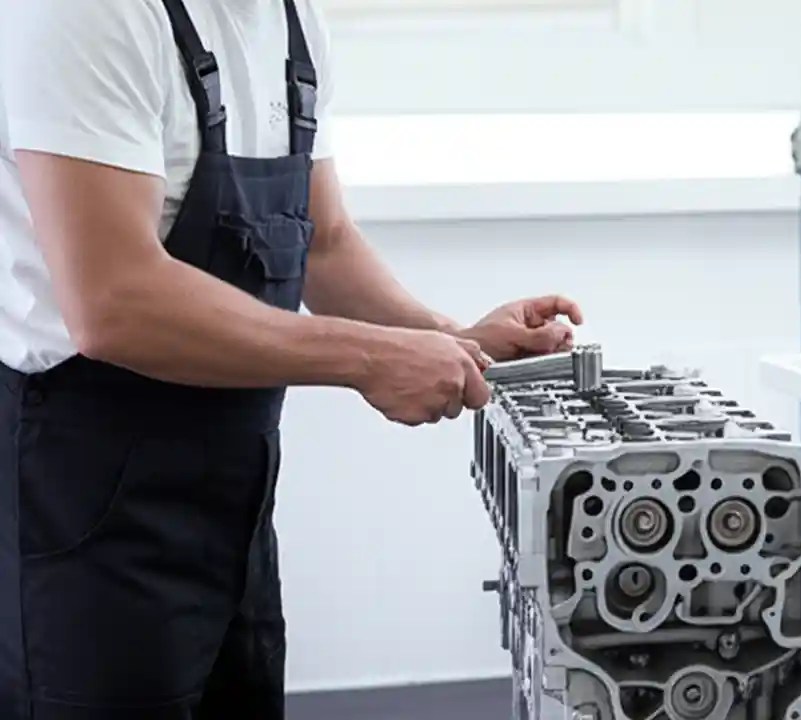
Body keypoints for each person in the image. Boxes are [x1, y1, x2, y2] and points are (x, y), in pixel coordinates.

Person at [0, 1, 583, 717]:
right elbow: (114, 299)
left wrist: (456, 338)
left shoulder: (290, 17)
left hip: (235, 510)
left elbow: (324, 241)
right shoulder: (88, 13)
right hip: (83, 510)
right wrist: (370, 360)